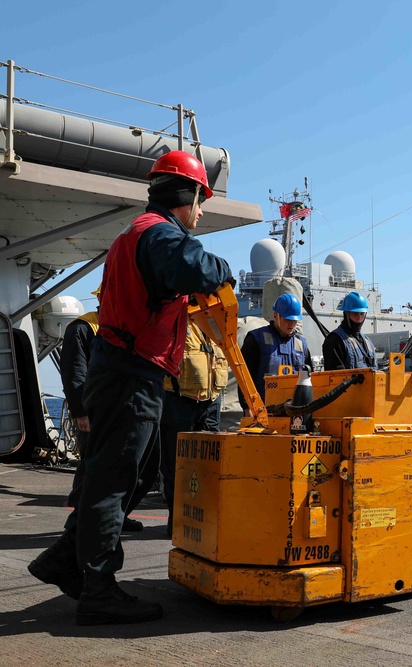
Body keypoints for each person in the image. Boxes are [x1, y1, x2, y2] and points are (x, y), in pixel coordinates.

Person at [28, 150, 233, 625]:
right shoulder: (161, 234)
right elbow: (196, 268)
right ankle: (98, 590)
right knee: (115, 480)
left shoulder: (135, 234)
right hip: (129, 374)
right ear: (187, 197)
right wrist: (223, 271)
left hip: (126, 372)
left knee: (132, 475)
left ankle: (64, 560)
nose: (200, 214)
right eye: (200, 201)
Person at [59, 287, 145, 533]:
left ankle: (115, 514)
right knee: (92, 464)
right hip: (94, 410)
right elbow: (74, 373)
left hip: (122, 408)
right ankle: (79, 517)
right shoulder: (83, 328)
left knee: (121, 465)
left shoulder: (123, 327)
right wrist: (80, 413)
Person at [159, 315, 228, 537]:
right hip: (179, 399)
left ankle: (205, 520)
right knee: (175, 464)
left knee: (209, 465)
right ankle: (176, 519)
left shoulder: (216, 325)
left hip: (210, 402)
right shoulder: (176, 320)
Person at [240, 293, 312, 413]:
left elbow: (309, 378)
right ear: (275, 316)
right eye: (287, 320)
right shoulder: (256, 339)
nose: (292, 324)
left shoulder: (301, 344)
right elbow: (244, 376)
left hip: (294, 409)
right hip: (262, 409)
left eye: (294, 320)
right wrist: (247, 408)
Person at [322, 291, 377, 370]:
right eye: (355, 314)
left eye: (362, 314)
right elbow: (335, 377)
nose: (359, 318)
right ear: (346, 314)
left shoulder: (367, 341)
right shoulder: (334, 341)